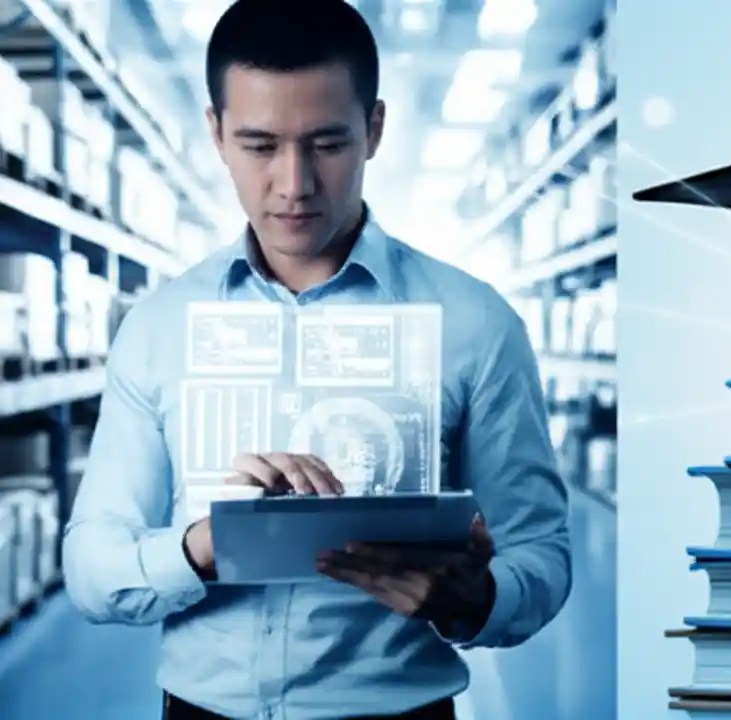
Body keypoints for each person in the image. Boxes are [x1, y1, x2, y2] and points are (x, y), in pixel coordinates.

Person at [61, 1, 572, 718]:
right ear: (216, 133)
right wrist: (210, 543)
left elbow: (542, 552)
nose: (294, 184)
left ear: (374, 129)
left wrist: (474, 599)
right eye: (260, 145)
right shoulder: (158, 328)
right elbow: (91, 570)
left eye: (327, 144)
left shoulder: (476, 325)